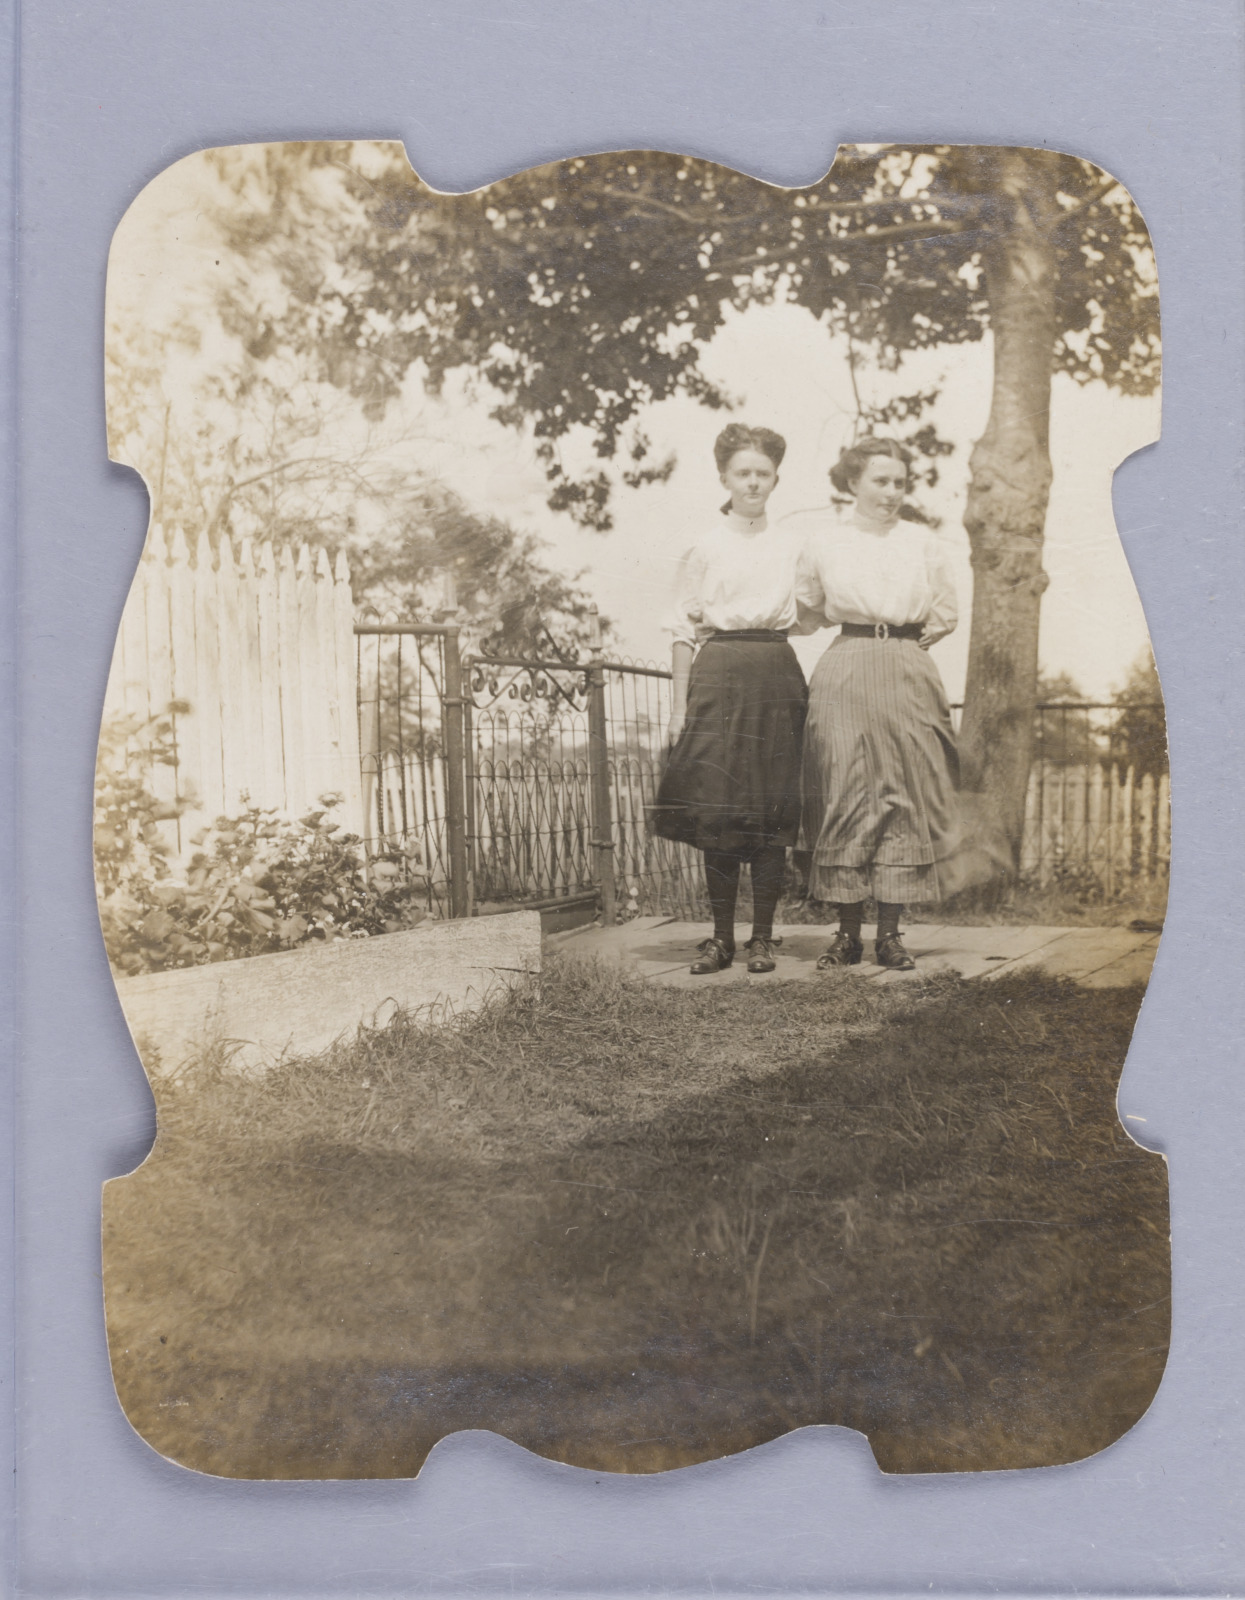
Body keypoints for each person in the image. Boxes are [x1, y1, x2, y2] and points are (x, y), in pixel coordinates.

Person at [791, 437, 960, 971]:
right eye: (880, 481)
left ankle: (889, 936)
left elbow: (945, 612)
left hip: (906, 667)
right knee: (844, 790)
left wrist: (904, 644)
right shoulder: (824, 541)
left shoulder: (923, 543)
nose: (891, 492)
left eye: (899, 483)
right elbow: (807, 608)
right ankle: (846, 935)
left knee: (902, 795)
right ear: (852, 483)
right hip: (847, 665)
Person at [649, 423, 808, 976]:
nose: (753, 483)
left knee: (772, 810)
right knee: (718, 808)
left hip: (775, 673)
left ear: (776, 479)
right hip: (718, 674)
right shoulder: (705, 545)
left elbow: (813, 608)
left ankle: (762, 938)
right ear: (724, 478)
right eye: (743, 473)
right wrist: (678, 709)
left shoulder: (793, 545)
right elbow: (681, 629)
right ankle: (720, 939)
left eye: (763, 473)